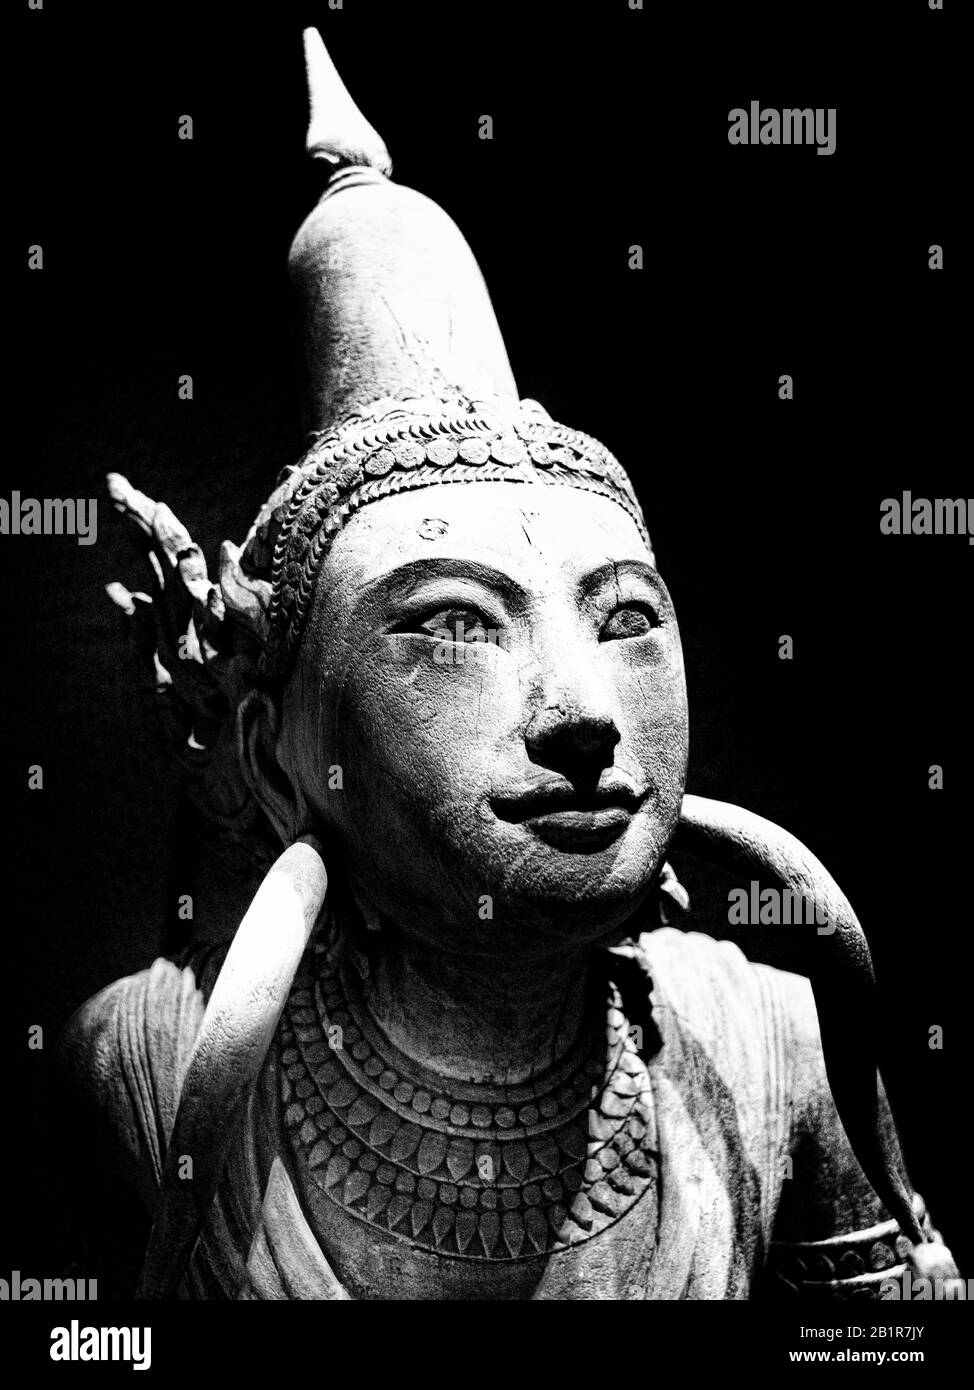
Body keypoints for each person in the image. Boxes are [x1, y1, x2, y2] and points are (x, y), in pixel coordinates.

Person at [60, 30, 959, 1301]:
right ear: (275, 754)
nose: (582, 712)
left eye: (625, 617)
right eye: (455, 623)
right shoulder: (138, 1069)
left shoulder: (770, 1046)